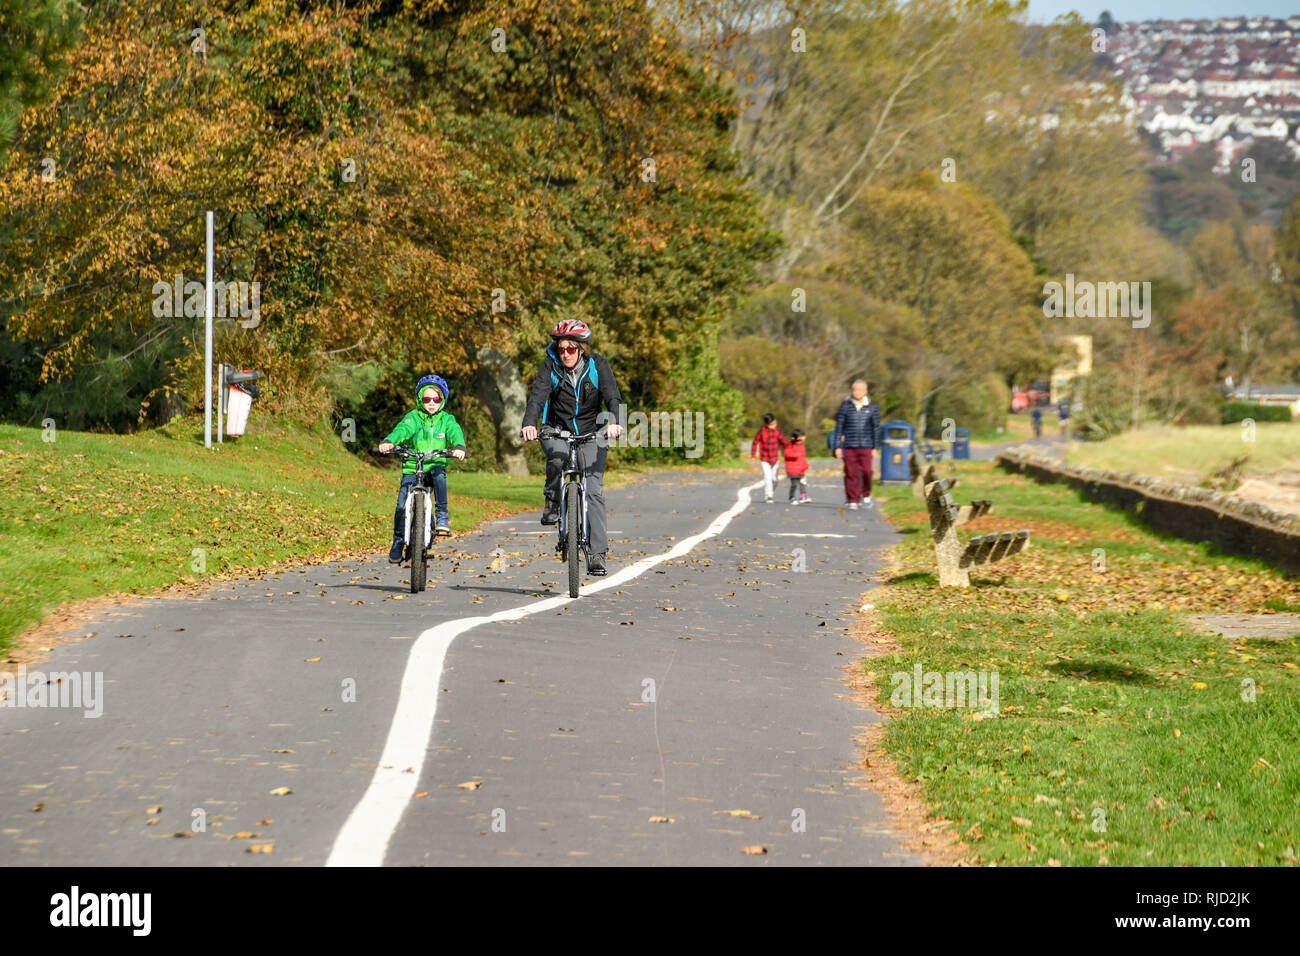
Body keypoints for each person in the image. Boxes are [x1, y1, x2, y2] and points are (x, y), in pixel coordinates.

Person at [520, 319, 624, 576]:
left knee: (595, 491)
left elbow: (613, 396)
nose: (565, 354)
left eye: (571, 349)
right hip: (556, 429)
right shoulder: (550, 366)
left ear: (582, 349)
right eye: (561, 349)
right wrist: (529, 424)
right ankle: (553, 501)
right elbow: (538, 396)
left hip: (593, 432)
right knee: (558, 458)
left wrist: (615, 422)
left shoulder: (598, 365)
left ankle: (598, 554)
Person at [377, 374, 466, 564]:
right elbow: (402, 430)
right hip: (412, 467)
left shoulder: (447, 419)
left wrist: (459, 446)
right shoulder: (414, 417)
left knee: (440, 477)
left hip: (434, 465)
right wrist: (389, 442)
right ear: (420, 399)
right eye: (427, 399)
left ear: (442, 400)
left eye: (436, 399)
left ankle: (442, 516)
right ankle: (398, 541)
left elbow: (455, 432)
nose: (431, 403)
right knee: (402, 506)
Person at [834, 379, 880, 510]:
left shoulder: (872, 407)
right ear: (852, 391)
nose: (857, 392)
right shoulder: (845, 406)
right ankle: (853, 498)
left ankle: (865, 494)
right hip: (849, 445)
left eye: (860, 390)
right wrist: (837, 446)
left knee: (867, 471)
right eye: (855, 389)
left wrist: (875, 447)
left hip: (866, 445)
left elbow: (876, 427)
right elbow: (839, 427)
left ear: (865, 391)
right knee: (851, 472)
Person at [750, 413, 785, 503]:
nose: (774, 426)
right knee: (767, 477)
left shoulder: (778, 431)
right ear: (766, 424)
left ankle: (771, 491)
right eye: (771, 424)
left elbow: (783, 443)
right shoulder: (762, 432)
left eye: (775, 423)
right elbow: (755, 443)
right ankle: (769, 495)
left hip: (775, 459)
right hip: (765, 458)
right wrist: (753, 456)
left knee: (774, 479)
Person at [783, 428, 810, 504]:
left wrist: (806, 465)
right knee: (794, 484)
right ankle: (792, 497)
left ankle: (803, 497)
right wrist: (795, 455)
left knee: (803, 483)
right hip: (793, 470)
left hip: (801, 469)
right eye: (803, 436)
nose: (805, 437)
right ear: (798, 437)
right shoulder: (790, 445)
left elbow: (802, 458)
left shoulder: (801, 445)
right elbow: (787, 454)